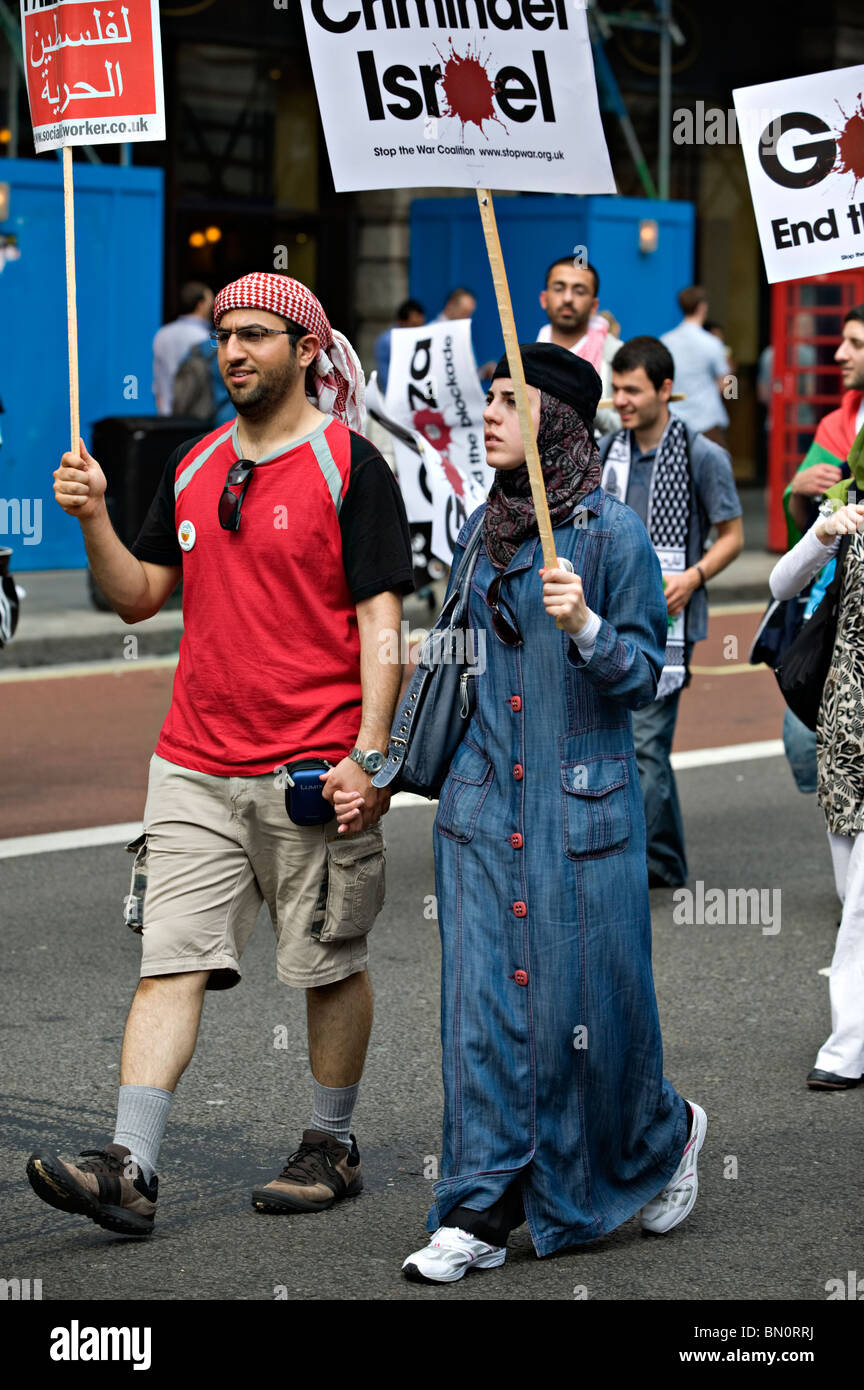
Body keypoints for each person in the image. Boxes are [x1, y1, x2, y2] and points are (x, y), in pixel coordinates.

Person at [29, 273, 415, 1236]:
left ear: (303, 351)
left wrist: (372, 755)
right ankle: (131, 1165)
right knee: (169, 962)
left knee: (326, 964)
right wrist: (93, 519)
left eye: (255, 336)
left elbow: (383, 624)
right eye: (223, 338)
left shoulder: (349, 466)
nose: (234, 352)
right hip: (192, 764)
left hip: (310, 773)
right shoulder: (196, 463)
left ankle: (331, 1143)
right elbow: (136, 597)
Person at [377, 342, 706, 1283]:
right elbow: (452, 658)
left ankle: (665, 1133)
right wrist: (382, 758)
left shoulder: (612, 538)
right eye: (485, 396)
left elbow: (649, 676)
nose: (486, 413)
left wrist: (588, 629)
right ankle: (478, 1206)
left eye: (506, 400)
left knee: (586, 1016)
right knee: (481, 1013)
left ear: (556, 422)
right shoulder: (484, 531)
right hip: (482, 816)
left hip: (581, 820)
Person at [605, 336, 743, 888]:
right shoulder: (607, 452)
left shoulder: (702, 455)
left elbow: (731, 536)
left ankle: (638, 866)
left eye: (632, 390)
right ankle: (664, 860)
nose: (621, 400)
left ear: (665, 390)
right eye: (615, 389)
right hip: (612, 616)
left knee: (645, 745)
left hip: (671, 619)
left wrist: (694, 576)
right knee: (636, 745)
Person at [768, 429, 864, 1090]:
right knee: (846, 885)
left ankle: (846, 1045)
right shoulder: (850, 513)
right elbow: (779, 582)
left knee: (860, 902)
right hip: (846, 728)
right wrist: (828, 529)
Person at [783, 304, 864, 547]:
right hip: (839, 579)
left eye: (856, 344)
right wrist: (799, 490)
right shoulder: (833, 425)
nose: (840, 354)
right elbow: (806, 526)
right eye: (842, 341)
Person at [537, 256, 621, 435]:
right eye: (559, 288)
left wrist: (588, 407)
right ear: (544, 299)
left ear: (594, 305)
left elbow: (633, 429)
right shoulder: (523, 360)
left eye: (579, 291)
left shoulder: (617, 358)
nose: (568, 298)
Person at [661, 286, 730, 446]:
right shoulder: (712, 342)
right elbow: (726, 381)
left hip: (675, 416)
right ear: (702, 307)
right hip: (707, 419)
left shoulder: (666, 340)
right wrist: (731, 395)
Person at [152, 281, 214, 415]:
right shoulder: (205, 338)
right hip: (196, 417)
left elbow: (158, 379)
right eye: (210, 302)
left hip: (166, 414)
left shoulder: (162, 334)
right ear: (201, 304)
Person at [374, 297, 425, 394]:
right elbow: (386, 377)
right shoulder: (387, 341)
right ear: (401, 321)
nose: (418, 330)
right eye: (414, 325)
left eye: (420, 325)